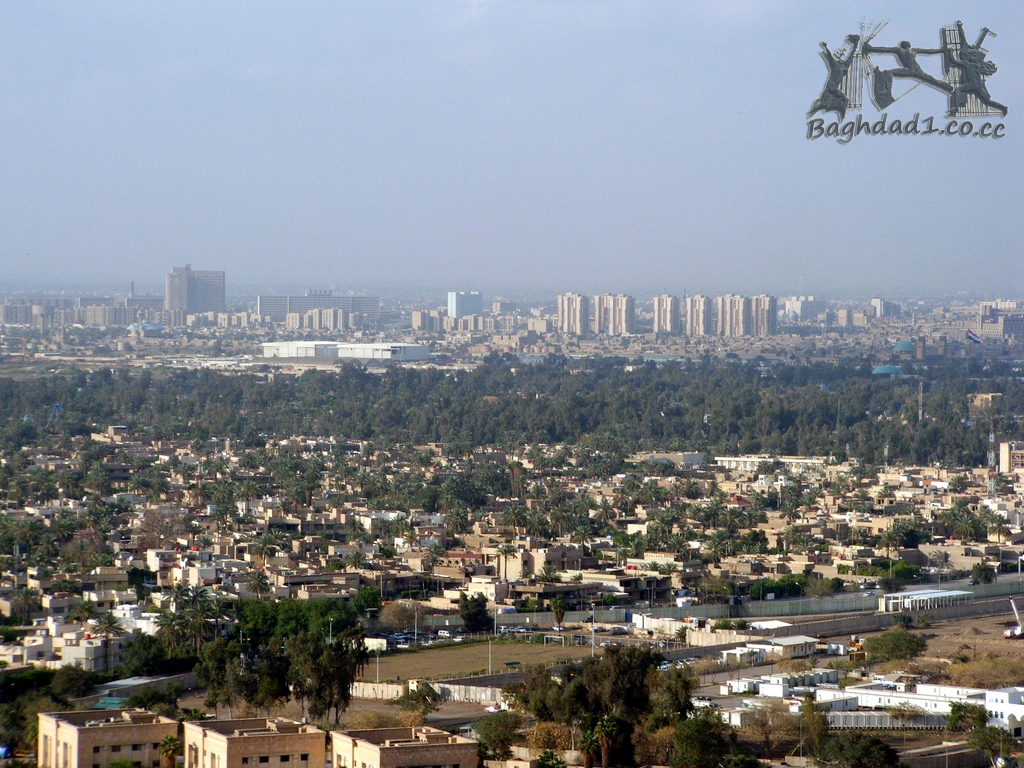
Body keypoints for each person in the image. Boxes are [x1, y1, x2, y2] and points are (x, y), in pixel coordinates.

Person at [862, 39, 951, 109]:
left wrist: (940, 50)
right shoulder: (899, 50)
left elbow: (929, 51)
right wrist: (870, 48)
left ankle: (949, 88)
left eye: (905, 44)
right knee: (888, 72)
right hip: (907, 70)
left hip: (918, 71)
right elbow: (885, 49)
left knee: (933, 80)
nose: (904, 45)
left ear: (908, 45)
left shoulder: (914, 50)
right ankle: (887, 91)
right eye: (903, 44)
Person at [947, 21, 1007, 117]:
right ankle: (1004, 107)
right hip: (979, 86)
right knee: (988, 101)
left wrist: (950, 52)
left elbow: (953, 60)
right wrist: (960, 27)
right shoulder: (979, 66)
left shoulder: (966, 63)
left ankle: (956, 108)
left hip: (971, 85)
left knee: (958, 90)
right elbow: (965, 39)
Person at [808, 34, 861, 121]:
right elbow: (830, 56)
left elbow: (851, 55)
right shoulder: (837, 65)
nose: (841, 58)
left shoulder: (844, 66)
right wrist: (826, 47)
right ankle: (842, 115)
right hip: (832, 88)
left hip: (834, 88)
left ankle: (842, 115)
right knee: (845, 99)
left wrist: (855, 45)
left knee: (845, 99)